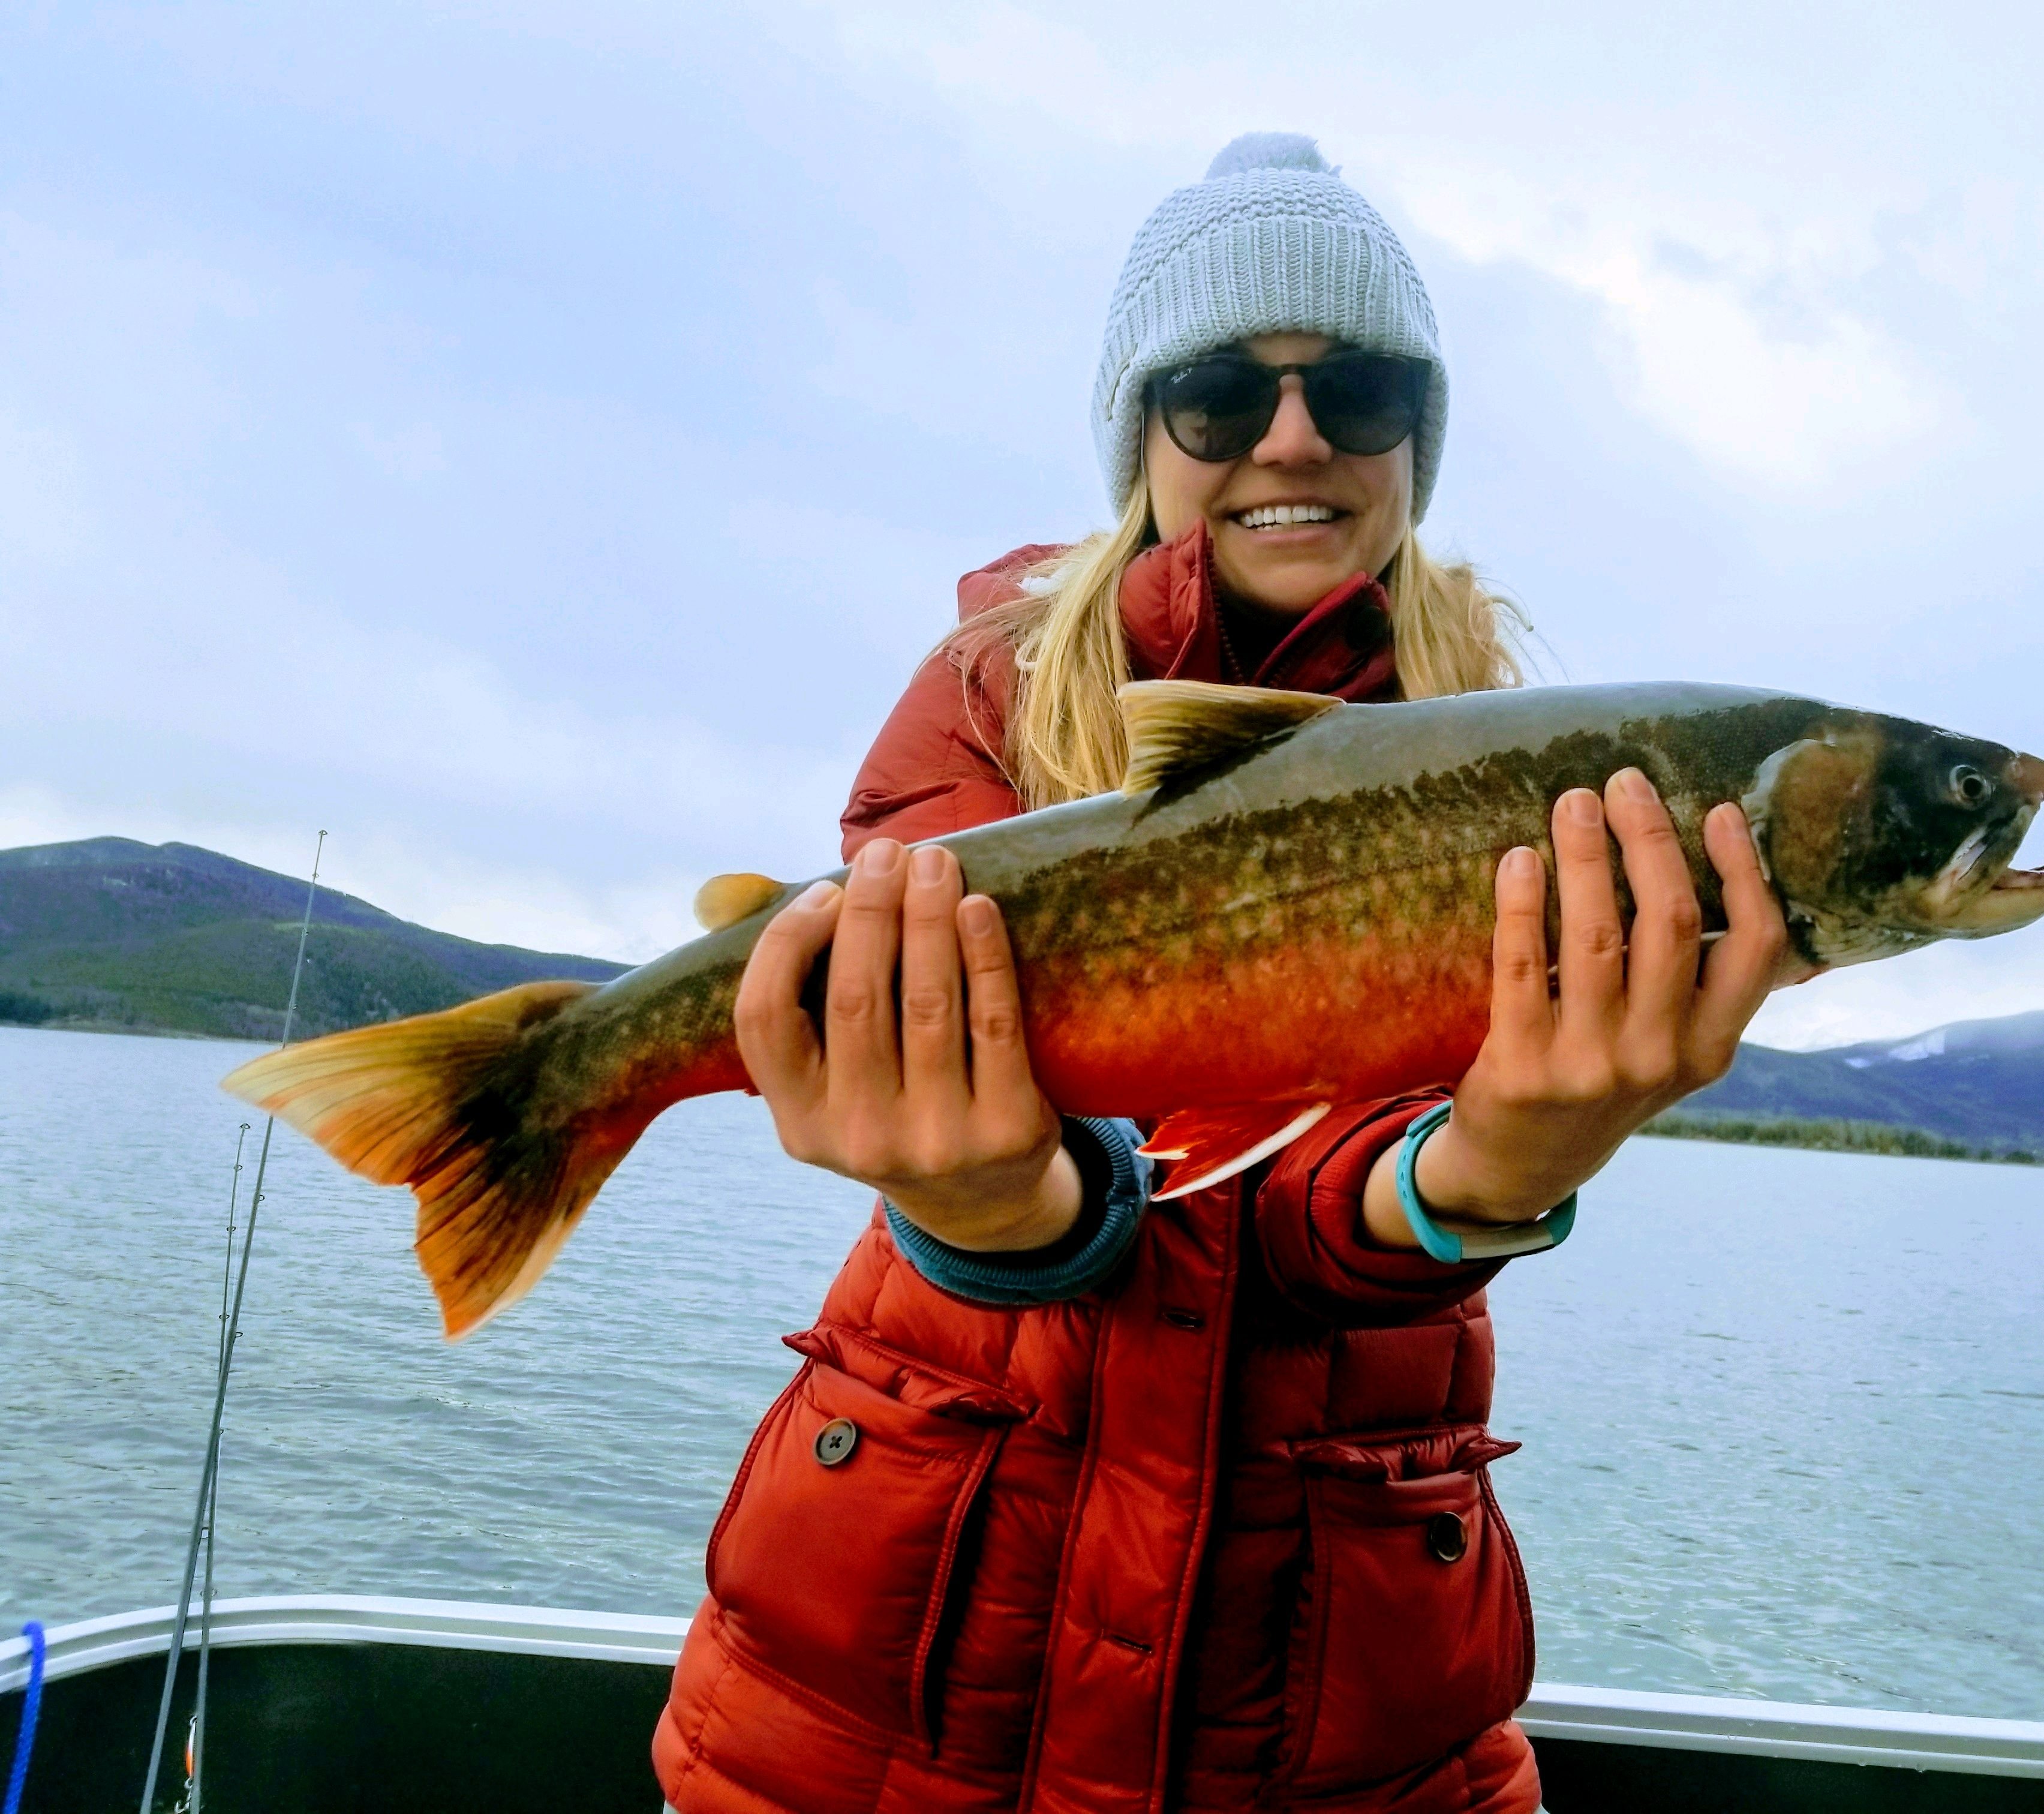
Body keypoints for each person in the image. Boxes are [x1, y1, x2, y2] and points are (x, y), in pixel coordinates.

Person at [653, 133, 1797, 1814]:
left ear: (1419, 436)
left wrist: (1489, 1175)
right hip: (890, 1708)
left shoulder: (1535, 777)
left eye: (1361, 391)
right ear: (1140, 439)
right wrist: (997, 1214)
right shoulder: (981, 693)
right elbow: (1060, 1135)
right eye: (1216, 395)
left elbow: (1302, 1193)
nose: (1292, 439)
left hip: (1337, 1722)